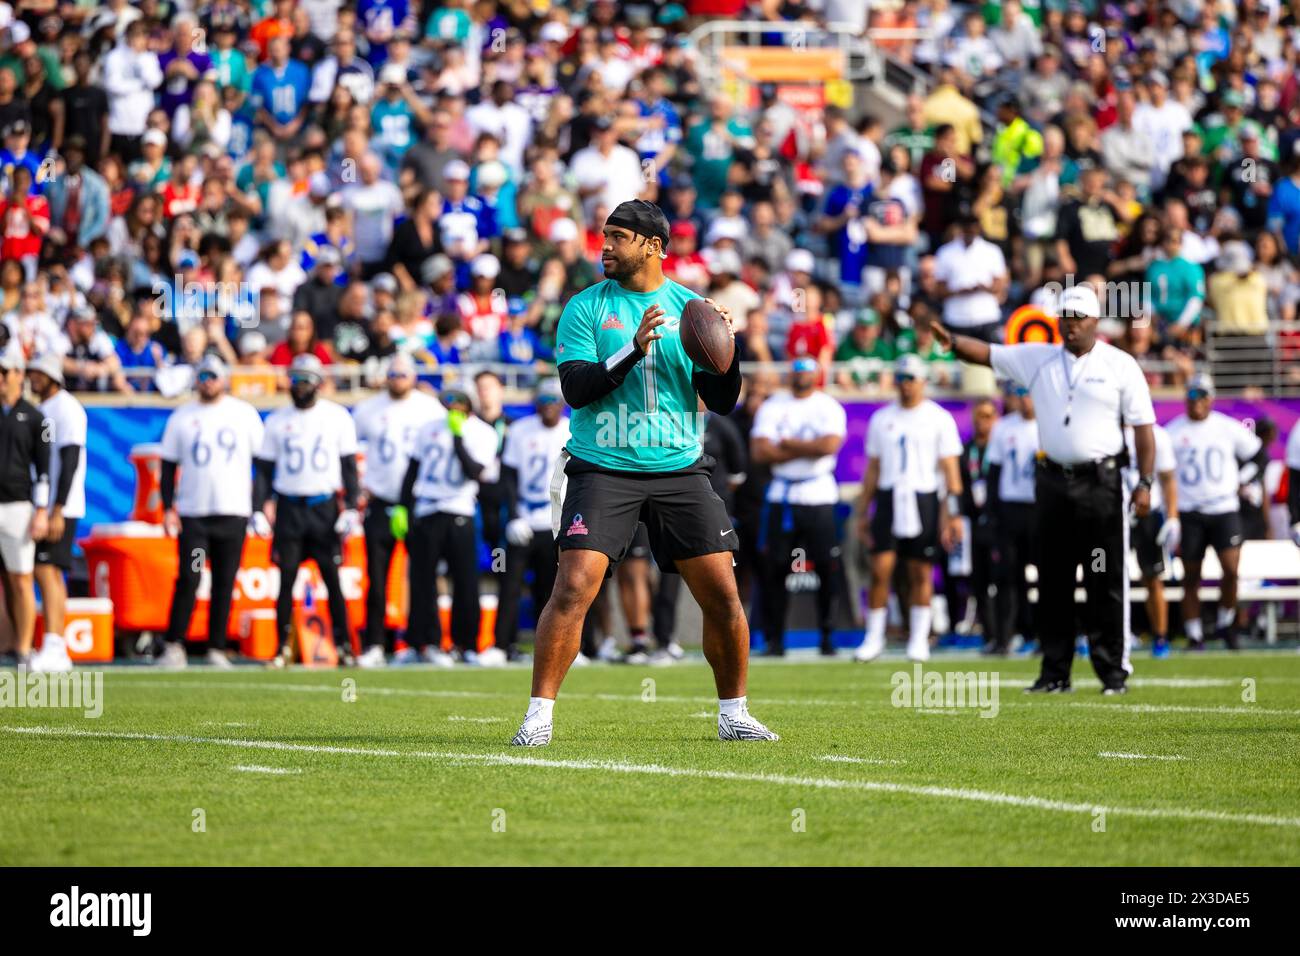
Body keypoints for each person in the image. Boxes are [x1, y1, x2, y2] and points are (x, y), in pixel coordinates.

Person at [511, 198, 776, 746]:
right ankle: (538, 716)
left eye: (618, 237)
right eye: (603, 235)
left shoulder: (691, 309)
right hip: (602, 466)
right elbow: (576, 389)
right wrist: (632, 351)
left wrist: (728, 350)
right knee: (573, 585)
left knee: (723, 593)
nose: (604, 246)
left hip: (679, 468)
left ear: (653, 246)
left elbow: (722, 401)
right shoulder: (585, 308)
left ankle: (734, 713)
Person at [933, 284, 1157, 694]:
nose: (1070, 326)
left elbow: (1143, 429)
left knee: (1103, 578)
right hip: (1053, 483)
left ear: (1094, 322)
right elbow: (987, 353)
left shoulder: (1121, 365)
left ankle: (1112, 672)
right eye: (1064, 318)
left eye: (1078, 318)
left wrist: (1144, 482)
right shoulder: (1038, 359)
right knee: (1053, 581)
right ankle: (1055, 673)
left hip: (1101, 483)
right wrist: (951, 341)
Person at [853, 353, 964, 662]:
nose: (905, 386)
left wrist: (953, 513)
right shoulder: (882, 418)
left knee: (920, 570)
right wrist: (863, 510)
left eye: (911, 379)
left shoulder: (938, 418)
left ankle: (919, 638)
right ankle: (874, 637)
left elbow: (950, 471)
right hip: (890, 496)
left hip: (923, 496)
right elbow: (873, 469)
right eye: (900, 379)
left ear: (923, 381)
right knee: (880, 570)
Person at [252, 354, 361, 667]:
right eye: (295, 379)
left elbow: (348, 465)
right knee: (285, 581)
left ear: (319, 382)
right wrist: (258, 508)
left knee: (333, 580)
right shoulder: (276, 420)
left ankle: (344, 646)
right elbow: (264, 470)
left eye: (306, 380)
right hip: (289, 508)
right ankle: (281, 648)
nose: (300, 386)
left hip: (323, 507)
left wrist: (351, 506)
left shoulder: (337, 416)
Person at [158, 355, 265, 667]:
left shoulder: (243, 414)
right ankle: (174, 643)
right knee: (190, 578)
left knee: (224, 580)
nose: (208, 382)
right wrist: (168, 507)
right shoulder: (182, 416)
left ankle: (216, 647)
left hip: (233, 511)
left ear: (225, 379)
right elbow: (168, 465)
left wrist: (259, 506)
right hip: (195, 514)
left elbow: (262, 464)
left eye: (213, 376)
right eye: (203, 376)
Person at [350, 352, 444, 668]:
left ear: (414, 377)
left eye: (403, 375)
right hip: (381, 500)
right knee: (376, 577)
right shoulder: (367, 410)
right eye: (393, 375)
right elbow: (351, 451)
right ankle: (375, 643)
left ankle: (426, 642)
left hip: (419, 502)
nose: (397, 380)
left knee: (424, 576)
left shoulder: (429, 408)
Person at [749, 356, 847, 657]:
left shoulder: (827, 406)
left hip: (818, 493)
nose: (801, 377)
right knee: (775, 569)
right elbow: (760, 451)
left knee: (827, 567)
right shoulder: (774, 405)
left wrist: (788, 445)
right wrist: (808, 449)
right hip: (784, 495)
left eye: (806, 372)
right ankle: (775, 639)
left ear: (816, 375)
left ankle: (828, 636)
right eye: (797, 372)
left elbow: (829, 446)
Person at [397, 388, 500, 666]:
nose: (453, 406)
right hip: (426, 508)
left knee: (465, 580)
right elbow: (412, 470)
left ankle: (465, 644)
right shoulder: (428, 427)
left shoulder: (483, 433)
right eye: (448, 401)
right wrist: (402, 508)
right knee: (421, 581)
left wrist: (457, 437)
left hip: (459, 509)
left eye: (459, 401)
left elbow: (474, 473)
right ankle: (423, 643)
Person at [1165, 374, 1262, 650]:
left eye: (1201, 396)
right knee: (1191, 575)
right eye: (1192, 395)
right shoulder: (1173, 431)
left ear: (1211, 399)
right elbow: (1164, 472)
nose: (1196, 402)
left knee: (1231, 570)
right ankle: (1195, 634)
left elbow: (1259, 455)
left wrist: (1244, 478)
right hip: (1189, 510)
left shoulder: (1226, 427)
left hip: (1223, 507)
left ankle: (1225, 624)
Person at [495, 378, 570, 662]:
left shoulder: (570, 430)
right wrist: (513, 515)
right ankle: (503, 646)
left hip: (558, 518)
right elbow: (509, 476)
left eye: (552, 401)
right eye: (542, 401)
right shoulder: (520, 430)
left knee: (551, 588)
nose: (547, 407)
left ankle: (550, 650)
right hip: (525, 515)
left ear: (562, 404)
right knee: (509, 583)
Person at [25, 352, 87, 673]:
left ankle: (54, 643)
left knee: (47, 569)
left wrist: (58, 509)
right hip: (46, 504)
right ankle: (55, 643)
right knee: (46, 570)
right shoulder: (44, 409)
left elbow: (71, 459)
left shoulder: (66, 409)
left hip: (59, 505)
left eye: (39, 372)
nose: (33, 378)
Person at [0, 347, 51, 670]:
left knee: (21, 579)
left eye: (5, 372)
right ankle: (7, 644)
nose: (1, 379)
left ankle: (23, 648)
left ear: (19, 375)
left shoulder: (34, 417)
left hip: (19, 505)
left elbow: (43, 469)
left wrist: (43, 510)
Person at [985, 385, 1039, 656]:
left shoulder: (1048, 426)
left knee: (1047, 575)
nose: (1026, 401)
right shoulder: (1004, 428)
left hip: (1040, 508)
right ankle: (1003, 637)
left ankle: (1045, 636)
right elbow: (994, 471)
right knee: (1007, 576)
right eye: (1022, 395)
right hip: (1010, 508)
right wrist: (992, 513)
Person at [1123, 420, 1179, 658]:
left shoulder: (1158, 435)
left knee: (1152, 577)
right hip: (1111, 514)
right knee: (1102, 574)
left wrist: (1173, 516)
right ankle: (1105, 635)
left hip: (1148, 515)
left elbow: (1167, 479)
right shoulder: (1103, 429)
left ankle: (1160, 636)